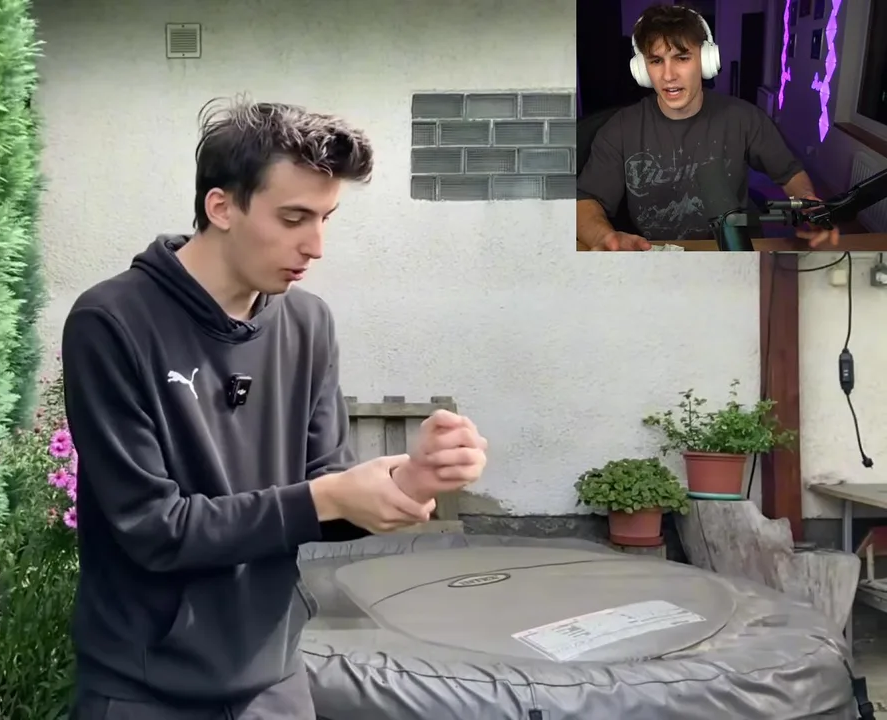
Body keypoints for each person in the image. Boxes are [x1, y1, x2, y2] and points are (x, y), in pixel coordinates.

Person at [59, 98, 489, 720]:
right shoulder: (111, 322)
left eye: (325, 218)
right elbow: (153, 529)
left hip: (274, 681)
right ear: (221, 207)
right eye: (293, 218)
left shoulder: (308, 323)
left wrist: (407, 481)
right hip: (141, 686)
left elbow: (325, 493)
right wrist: (328, 497)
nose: (315, 245)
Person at [576, 3, 840, 250]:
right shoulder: (619, 130)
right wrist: (603, 237)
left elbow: (790, 174)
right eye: (656, 61)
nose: (668, 75)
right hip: (656, 256)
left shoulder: (743, 118)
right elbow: (585, 201)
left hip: (731, 250)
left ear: (706, 60)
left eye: (682, 58)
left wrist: (809, 206)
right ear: (642, 69)